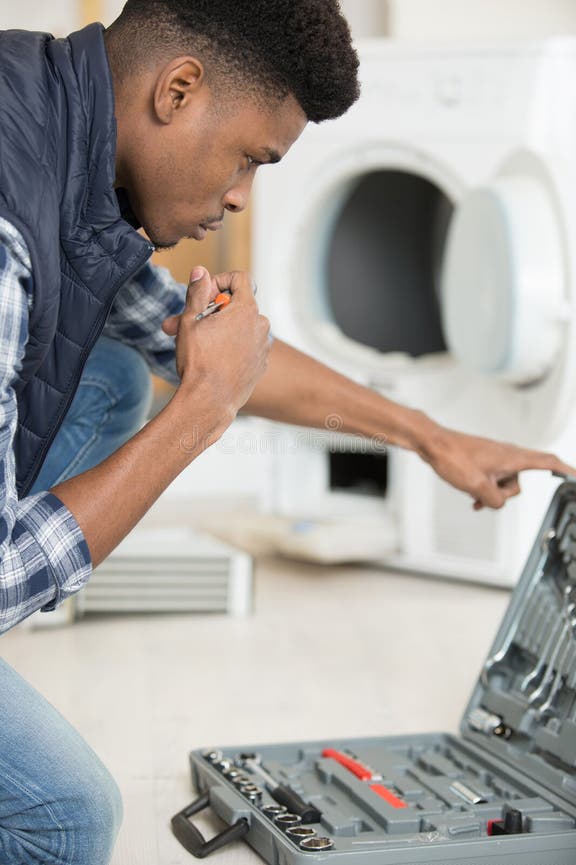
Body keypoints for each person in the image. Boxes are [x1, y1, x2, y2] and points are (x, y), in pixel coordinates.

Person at [0, 1, 572, 862]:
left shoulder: (59, 132)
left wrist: (430, 435)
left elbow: (212, 347)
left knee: (114, 376)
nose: (237, 198)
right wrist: (201, 411)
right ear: (180, 89)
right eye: (249, 160)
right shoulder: (9, 227)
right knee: (66, 814)